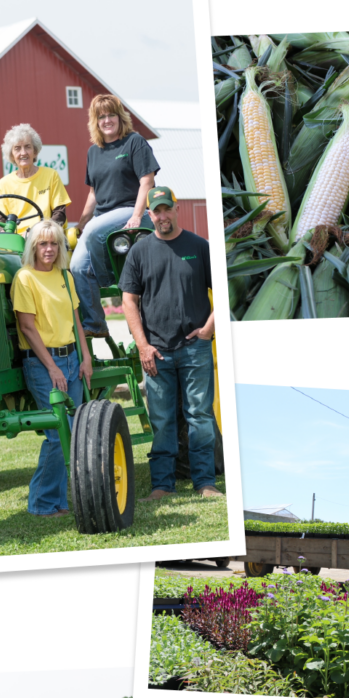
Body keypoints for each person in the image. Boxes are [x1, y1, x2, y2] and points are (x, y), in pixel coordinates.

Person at [118, 185, 221, 501]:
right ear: (149, 215)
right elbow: (129, 301)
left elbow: (223, 292)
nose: (162, 216)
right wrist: (143, 346)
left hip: (196, 348)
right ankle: (162, 485)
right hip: (157, 353)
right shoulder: (140, 251)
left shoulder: (199, 246)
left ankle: (205, 483)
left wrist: (207, 328)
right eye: (156, 211)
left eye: (166, 208)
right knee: (161, 422)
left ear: (176, 209)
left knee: (200, 417)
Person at [11, 218, 93, 517]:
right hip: (44, 364)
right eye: (42, 243)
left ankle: (58, 502)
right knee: (58, 434)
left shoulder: (64, 276)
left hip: (72, 359)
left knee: (71, 434)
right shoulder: (24, 278)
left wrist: (86, 357)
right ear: (33, 246)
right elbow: (27, 328)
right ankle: (41, 503)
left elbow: (76, 319)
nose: (49, 248)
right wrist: (52, 368)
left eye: (54, 243)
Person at [70, 94, 160, 338]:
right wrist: (81, 223)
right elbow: (93, 194)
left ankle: (111, 278)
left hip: (130, 211)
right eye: (102, 117)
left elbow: (147, 181)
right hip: (101, 219)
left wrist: (137, 215)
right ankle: (95, 324)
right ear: (95, 122)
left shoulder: (134, 142)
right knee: (76, 266)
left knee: (94, 232)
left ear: (120, 118)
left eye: (111, 115)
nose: (107, 120)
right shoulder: (93, 152)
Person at [0, 124, 71, 234]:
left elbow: (59, 215)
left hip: (45, 236)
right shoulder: (4, 183)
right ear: (12, 154)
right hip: (16, 242)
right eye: (17, 148)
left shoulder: (51, 175)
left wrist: (44, 234)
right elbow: (0, 221)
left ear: (35, 151)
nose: (23, 152)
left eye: (27, 147)